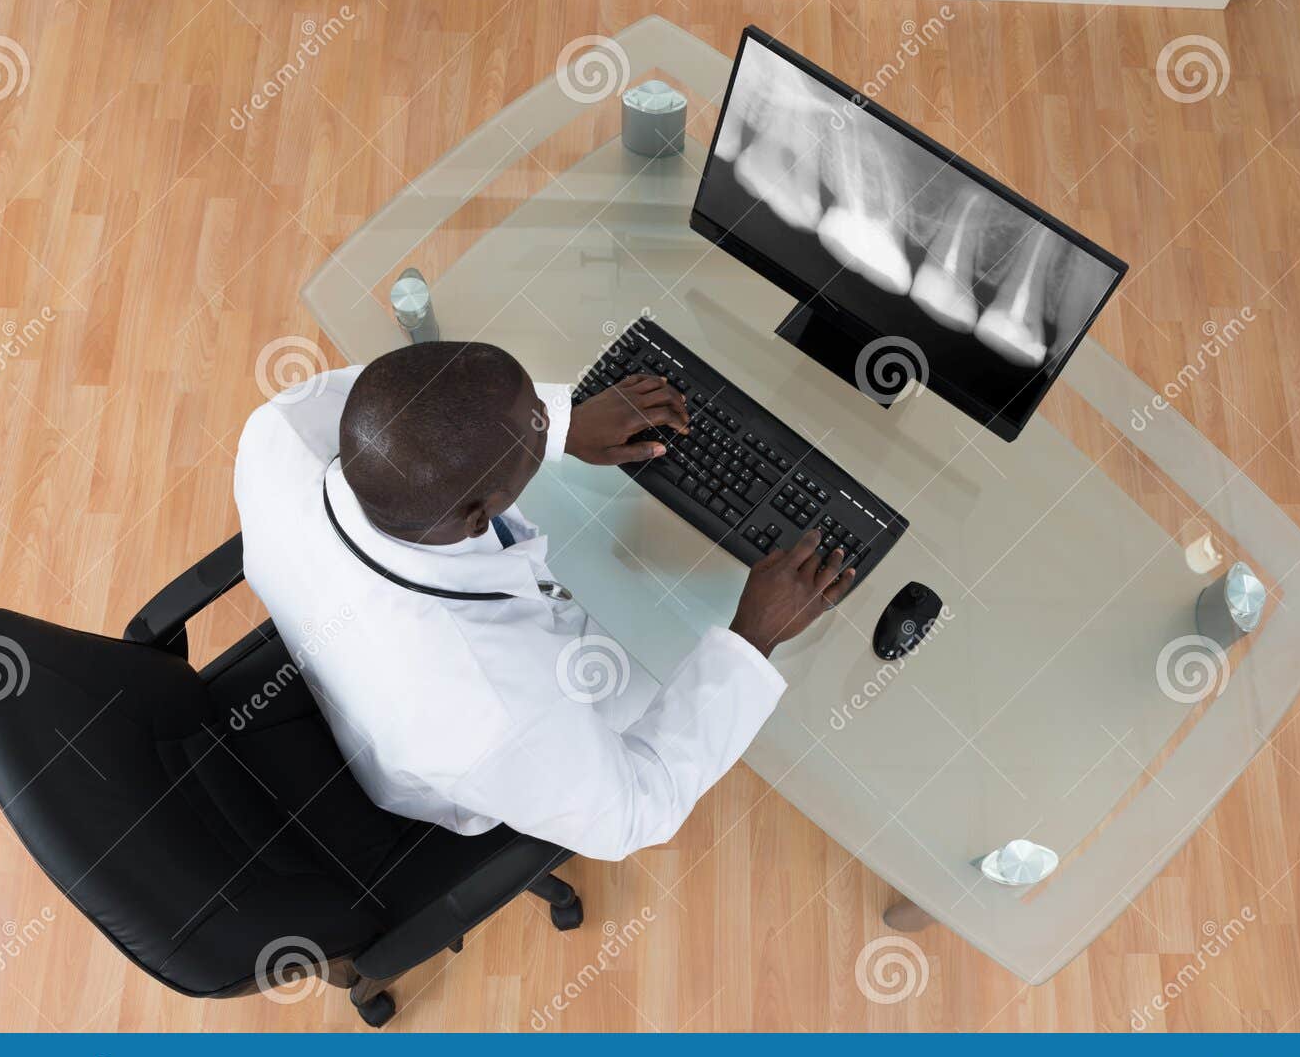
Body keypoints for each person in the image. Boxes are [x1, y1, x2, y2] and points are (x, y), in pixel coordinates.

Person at [234, 340, 856, 860]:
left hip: (347, 648)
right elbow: (635, 813)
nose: (543, 417)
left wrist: (559, 422)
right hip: (449, 760)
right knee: (681, 638)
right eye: (531, 430)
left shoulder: (280, 427)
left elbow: (412, 408)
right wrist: (753, 638)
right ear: (478, 516)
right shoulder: (490, 713)